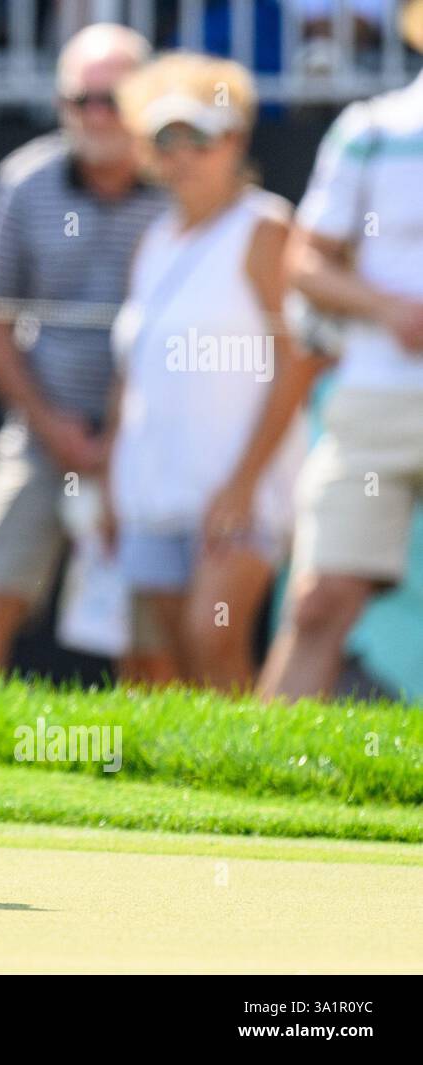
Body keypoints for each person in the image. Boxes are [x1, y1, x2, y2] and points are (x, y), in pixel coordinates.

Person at [0, 24, 165, 684]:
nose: (95, 115)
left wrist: (117, 440)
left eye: (112, 98)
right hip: (41, 433)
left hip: (153, 443)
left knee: (153, 631)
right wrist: (49, 423)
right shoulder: (25, 180)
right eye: (78, 99)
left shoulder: (181, 182)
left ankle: (162, 780)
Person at [106, 52, 317, 690]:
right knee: (162, 669)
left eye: (199, 135)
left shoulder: (267, 228)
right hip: (151, 492)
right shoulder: (154, 241)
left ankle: (260, 787)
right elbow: (130, 374)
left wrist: (243, 484)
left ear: (234, 141)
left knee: (213, 639)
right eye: (164, 137)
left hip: (239, 493)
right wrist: (114, 485)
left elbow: (299, 359)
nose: (182, 153)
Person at [259, 2, 423, 701]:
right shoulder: (372, 130)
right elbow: (306, 261)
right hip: (374, 404)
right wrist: (390, 308)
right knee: (320, 599)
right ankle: (259, 799)